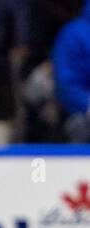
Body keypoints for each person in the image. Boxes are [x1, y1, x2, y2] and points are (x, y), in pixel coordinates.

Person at [52, 0, 90, 142]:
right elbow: (66, 84)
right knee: (78, 126)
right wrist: (87, 104)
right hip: (83, 115)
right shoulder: (74, 33)